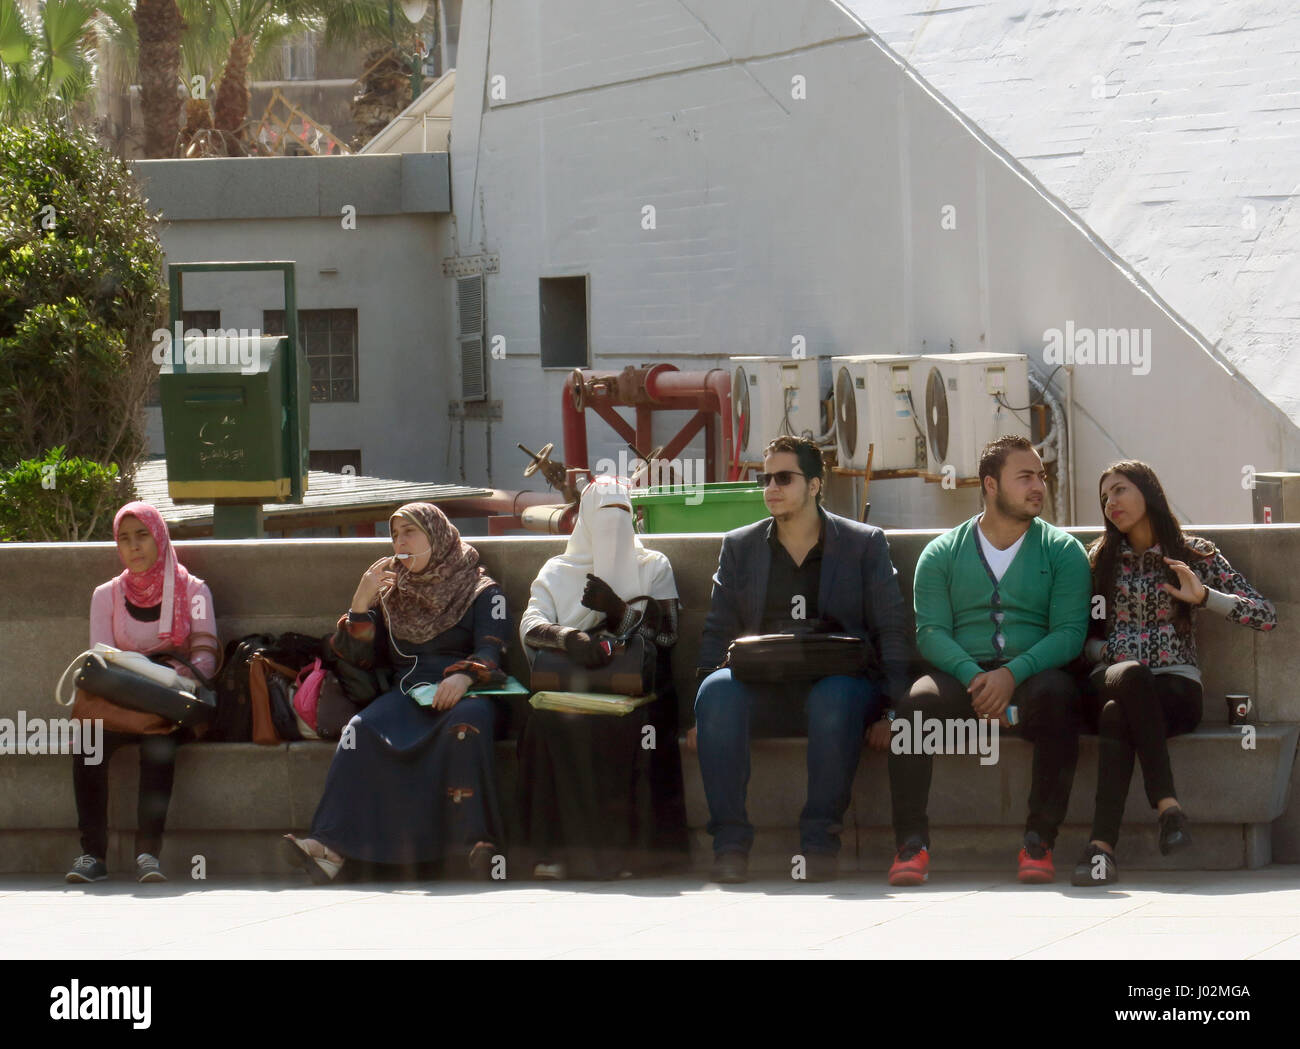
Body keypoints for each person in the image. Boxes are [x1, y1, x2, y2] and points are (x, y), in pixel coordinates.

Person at [693, 435, 910, 884]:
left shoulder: (863, 543)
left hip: (842, 683)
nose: (771, 487)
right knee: (716, 694)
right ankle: (730, 845)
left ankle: (818, 844)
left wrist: (893, 709)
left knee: (832, 698)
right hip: (764, 683)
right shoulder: (740, 546)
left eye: (783, 478)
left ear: (814, 485)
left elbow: (892, 629)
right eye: (765, 478)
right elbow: (717, 630)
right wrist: (699, 711)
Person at [888, 435, 1091, 886]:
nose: (1038, 485)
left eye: (1040, 475)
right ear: (991, 485)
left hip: (1033, 675)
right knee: (913, 710)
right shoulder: (941, 553)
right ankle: (911, 844)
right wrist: (977, 679)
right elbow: (931, 633)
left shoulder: (1063, 551)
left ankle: (1039, 842)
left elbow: (1070, 634)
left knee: (1061, 698)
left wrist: (1011, 674)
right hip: (962, 675)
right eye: (1025, 477)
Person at [1071, 461, 1277, 886]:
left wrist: (1206, 598)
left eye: (1120, 490)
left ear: (1149, 492)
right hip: (1112, 676)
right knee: (1129, 678)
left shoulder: (1194, 554)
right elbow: (1079, 640)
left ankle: (1101, 850)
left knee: (1117, 716)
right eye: (1104, 496)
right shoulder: (1098, 561)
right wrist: (1111, 650)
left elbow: (1265, 616)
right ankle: (1168, 809)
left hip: (1176, 690)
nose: (1111, 502)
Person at [281, 503, 511, 883]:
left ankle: (475, 845)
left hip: (467, 690)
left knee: (467, 724)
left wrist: (464, 678)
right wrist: (361, 601)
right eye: (395, 534)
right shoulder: (391, 592)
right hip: (408, 692)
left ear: (435, 537)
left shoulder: (482, 589)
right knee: (358, 731)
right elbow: (357, 656)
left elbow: (492, 648)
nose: (400, 542)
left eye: (410, 532)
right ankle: (328, 848)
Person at [517, 476, 688, 880]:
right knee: (543, 723)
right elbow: (530, 623)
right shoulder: (557, 570)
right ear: (586, 519)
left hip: (634, 689)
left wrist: (618, 612)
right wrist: (568, 637)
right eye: (604, 515)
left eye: (622, 514)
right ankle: (554, 855)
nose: (613, 525)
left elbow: (668, 636)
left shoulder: (652, 565)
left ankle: (628, 856)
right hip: (571, 682)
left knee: (634, 729)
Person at [67, 502, 219, 884]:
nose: (134, 547)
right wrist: (136, 681)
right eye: (124, 539)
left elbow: (206, 654)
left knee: (158, 740)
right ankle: (92, 855)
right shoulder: (106, 595)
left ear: (159, 538)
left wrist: (173, 677)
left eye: (142, 536)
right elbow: (101, 658)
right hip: (120, 698)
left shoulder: (194, 589)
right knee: (88, 741)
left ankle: (148, 854)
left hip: (171, 701)